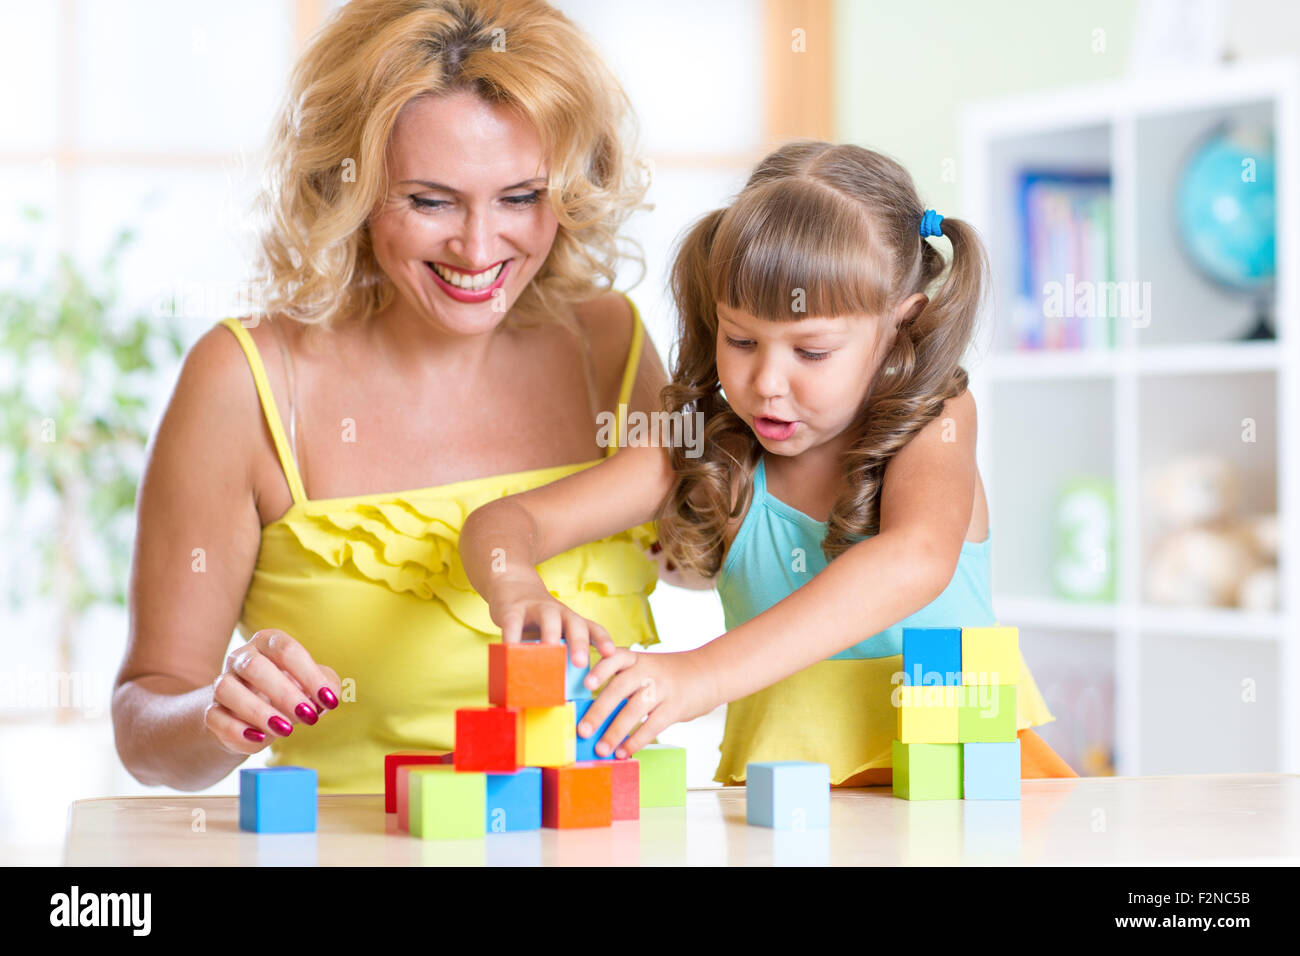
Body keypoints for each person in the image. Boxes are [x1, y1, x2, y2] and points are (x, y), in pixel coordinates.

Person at [112, 0, 676, 793]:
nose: (479, 250)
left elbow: (706, 556)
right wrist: (219, 710)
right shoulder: (245, 380)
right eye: (429, 200)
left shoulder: (610, 345)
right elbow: (145, 724)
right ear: (349, 185)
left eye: (520, 197)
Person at [461, 140, 1078, 785]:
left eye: (811, 352)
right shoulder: (704, 448)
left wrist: (699, 673)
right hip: (791, 805)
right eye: (742, 339)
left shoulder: (937, 420)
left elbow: (913, 559)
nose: (767, 382)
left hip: (969, 797)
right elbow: (506, 524)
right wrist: (518, 589)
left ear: (903, 326)